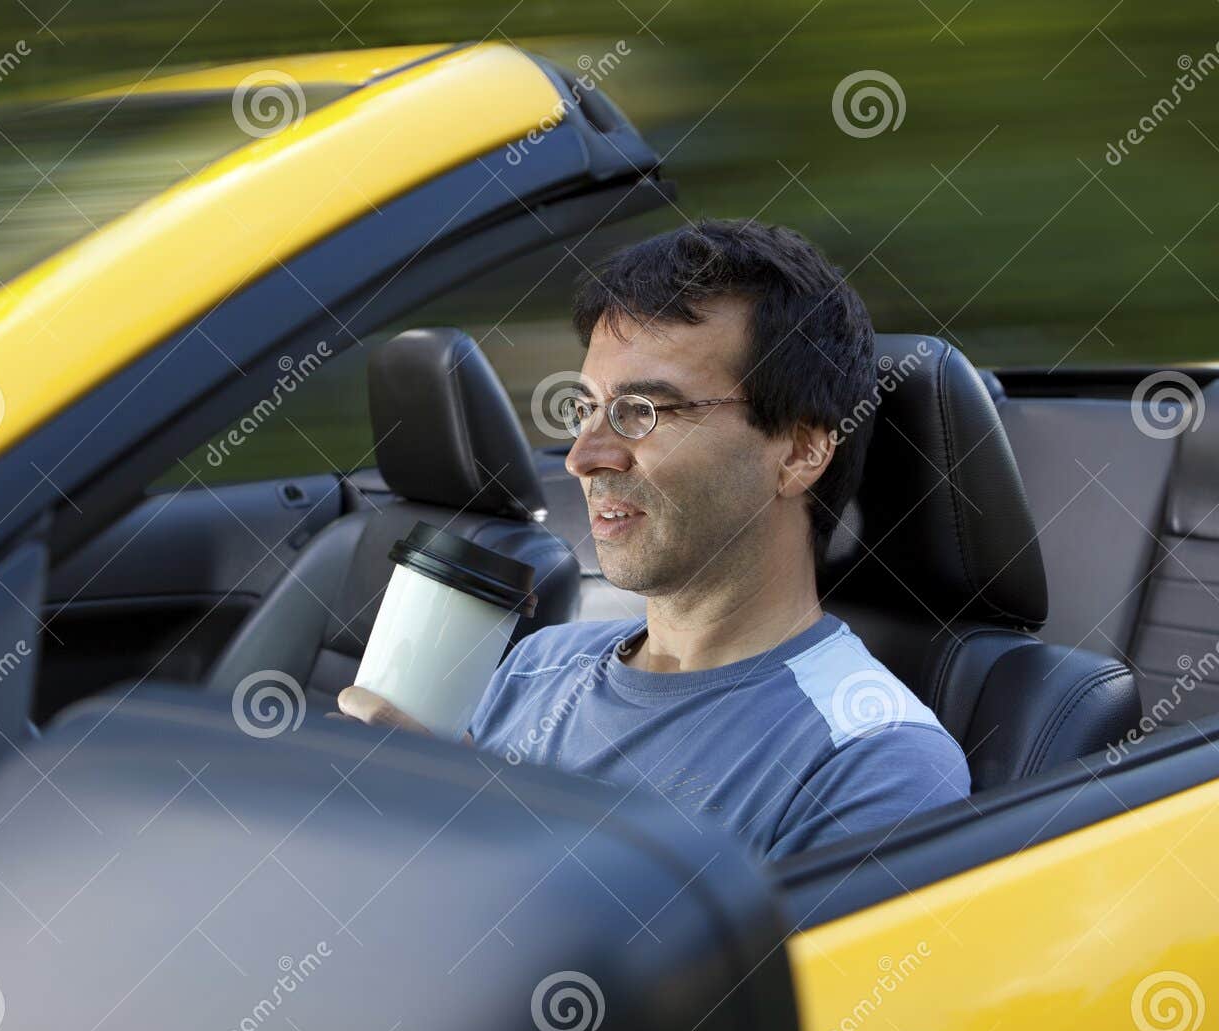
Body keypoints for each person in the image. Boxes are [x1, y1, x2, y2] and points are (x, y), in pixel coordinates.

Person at [338, 219, 969, 859]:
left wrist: (477, 837)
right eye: (585, 409)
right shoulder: (537, 666)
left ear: (800, 452)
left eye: (643, 412)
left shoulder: (874, 759)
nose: (584, 456)